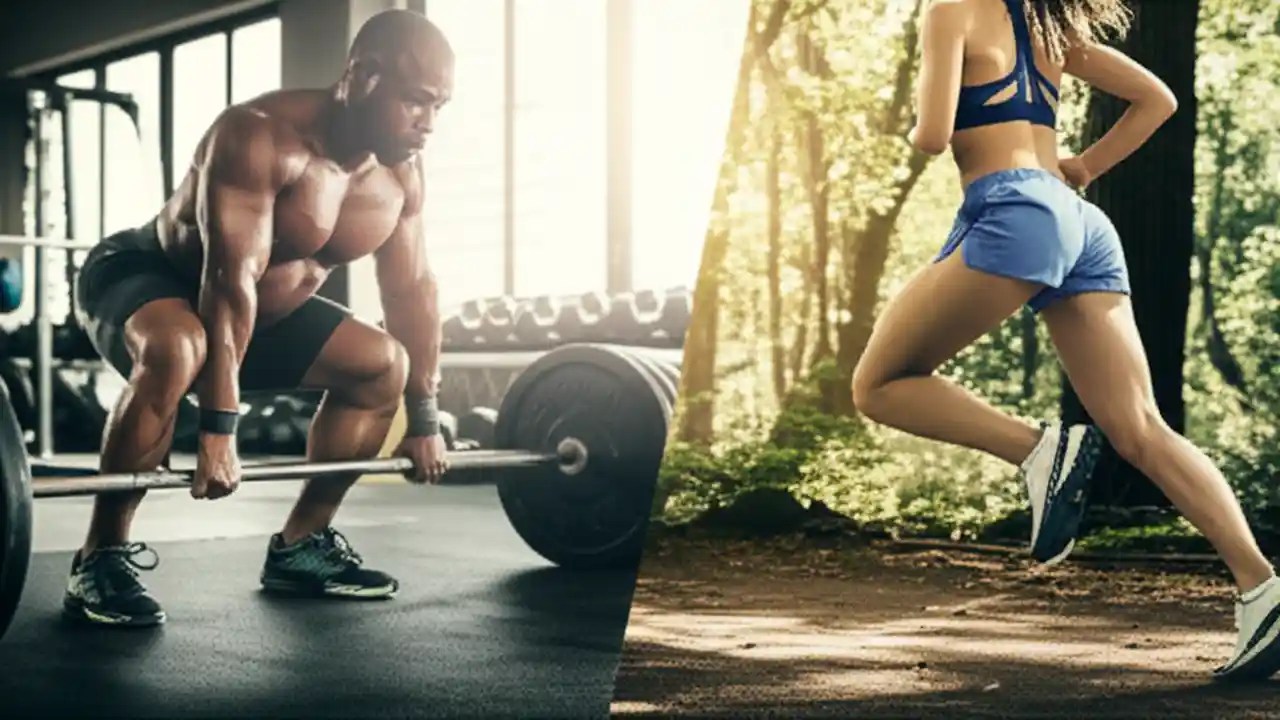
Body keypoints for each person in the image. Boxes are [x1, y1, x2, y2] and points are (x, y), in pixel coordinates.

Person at [850, 0, 1280, 680]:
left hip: (1013, 212)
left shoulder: (949, 11)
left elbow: (932, 136)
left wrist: (921, 103)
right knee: (1143, 429)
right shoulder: (1048, 24)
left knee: (877, 385)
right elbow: (1155, 99)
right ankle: (1262, 590)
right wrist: (1081, 167)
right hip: (1080, 221)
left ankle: (1038, 447)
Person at [67, 9, 454, 626]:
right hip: (146, 276)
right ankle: (100, 556)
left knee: (383, 367)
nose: (428, 124)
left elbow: (412, 291)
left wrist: (425, 416)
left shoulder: (401, 176)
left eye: (440, 107)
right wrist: (219, 430)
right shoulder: (258, 135)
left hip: (259, 316)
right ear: (364, 77)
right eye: (417, 102)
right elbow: (228, 279)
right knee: (178, 349)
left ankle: (301, 547)